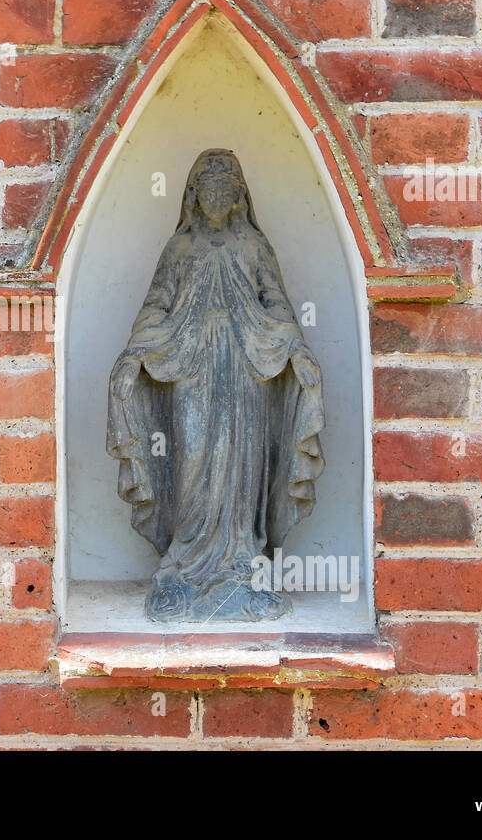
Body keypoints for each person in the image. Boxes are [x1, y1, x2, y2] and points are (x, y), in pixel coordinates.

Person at [106, 148, 325, 621]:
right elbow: (157, 306)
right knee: (192, 454)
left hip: (247, 368)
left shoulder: (254, 248)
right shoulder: (179, 250)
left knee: (243, 462)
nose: (218, 196)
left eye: (226, 189)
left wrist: (294, 347)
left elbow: (276, 304)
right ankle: (185, 560)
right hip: (190, 365)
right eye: (209, 188)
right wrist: (135, 352)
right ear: (193, 196)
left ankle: (242, 557)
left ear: (239, 197)